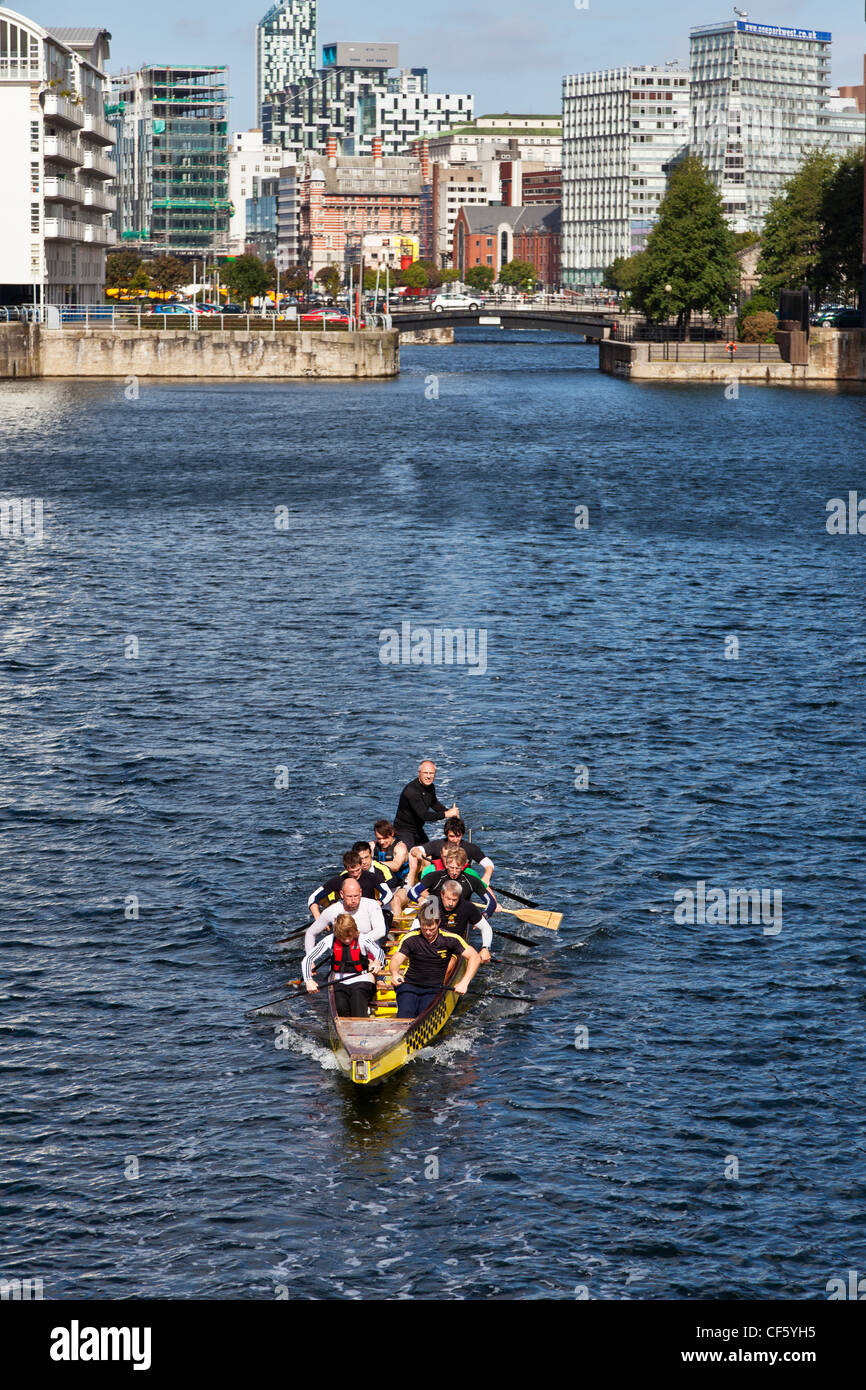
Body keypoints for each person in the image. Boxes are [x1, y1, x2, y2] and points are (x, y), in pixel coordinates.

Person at [388, 898, 480, 1018]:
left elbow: (475, 957)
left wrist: (464, 982)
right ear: (420, 923)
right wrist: (394, 973)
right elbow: (395, 960)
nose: (428, 933)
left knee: (423, 1015)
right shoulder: (410, 938)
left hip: (435, 988)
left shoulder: (450, 939)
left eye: (432, 929)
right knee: (405, 1014)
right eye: (424, 928)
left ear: (438, 922)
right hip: (409, 984)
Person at [302, 913, 384, 1018]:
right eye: (342, 937)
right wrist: (308, 980)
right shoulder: (329, 939)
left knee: (358, 1004)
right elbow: (307, 959)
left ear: (354, 931)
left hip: (362, 980)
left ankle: (363, 1019)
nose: (347, 940)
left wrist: (377, 962)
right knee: (341, 1008)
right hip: (340, 983)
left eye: (350, 936)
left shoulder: (363, 938)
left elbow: (380, 952)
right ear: (336, 933)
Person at [304, 877, 386, 955]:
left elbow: (380, 931)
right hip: (341, 958)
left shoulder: (372, 905)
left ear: (360, 892)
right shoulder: (332, 910)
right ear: (342, 894)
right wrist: (310, 960)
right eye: (349, 896)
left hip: (368, 953)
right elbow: (310, 933)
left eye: (356, 896)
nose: (353, 900)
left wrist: (356, 944)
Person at [409, 845, 497, 917]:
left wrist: (484, 916)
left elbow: (491, 902)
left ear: (463, 865)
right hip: (433, 916)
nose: (454, 872)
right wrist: (421, 900)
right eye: (451, 868)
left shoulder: (471, 880)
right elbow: (412, 891)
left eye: (458, 869)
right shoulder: (434, 876)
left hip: (457, 919)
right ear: (446, 864)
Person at [408, 815, 494, 887]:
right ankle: (410, 888)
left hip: (461, 885)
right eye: (452, 836)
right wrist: (418, 853)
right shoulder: (437, 845)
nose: (455, 840)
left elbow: (489, 864)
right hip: (439, 883)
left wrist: (486, 876)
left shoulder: (470, 848)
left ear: (462, 834)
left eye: (458, 836)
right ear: (446, 834)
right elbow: (414, 850)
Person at [308, 849, 393, 919]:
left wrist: (378, 903)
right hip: (347, 918)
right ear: (346, 868)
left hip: (368, 915)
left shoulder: (372, 877)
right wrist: (318, 917)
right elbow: (313, 898)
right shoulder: (339, 880)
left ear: (361, 865)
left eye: (358, 870)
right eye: (352, 872)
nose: (355, 874)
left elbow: (388, 894)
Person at [392, 760, 458, 850]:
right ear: (419, 773)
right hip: (404, 830)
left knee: (428, 852)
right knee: (410, 855)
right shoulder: (412, 791)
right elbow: (424, 815)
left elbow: (434, 804)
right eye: (425, 773)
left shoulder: (430, 787)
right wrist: (447, 814)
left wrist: (450, 812)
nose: (428, 776)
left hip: (418, 829)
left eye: (431, 773)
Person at [426, 876, 493, 964]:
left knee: (449, 964)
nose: (450, 903)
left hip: (453, 947)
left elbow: (486, 928)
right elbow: (416, 926)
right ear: (442, 894)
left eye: (454, 900)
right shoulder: (431, 905)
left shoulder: (468, 907)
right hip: (431, 943)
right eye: (448, 899)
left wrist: (485, 948)